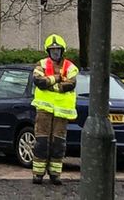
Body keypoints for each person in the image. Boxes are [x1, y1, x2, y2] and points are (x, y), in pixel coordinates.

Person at [31, 33, 78, 185]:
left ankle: (55, 174)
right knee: (42, 142)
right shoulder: (42, 64)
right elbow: (39, 81)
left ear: (62, 50)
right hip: (44, 110)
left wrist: (52, 84)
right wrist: (57, 79)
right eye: (52, 50)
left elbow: (71, 84)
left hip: (62, 112)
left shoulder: (69, 66)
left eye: (58, 49)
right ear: (48, 51)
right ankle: (38, 174)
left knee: (58, 144)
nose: (55, 52)